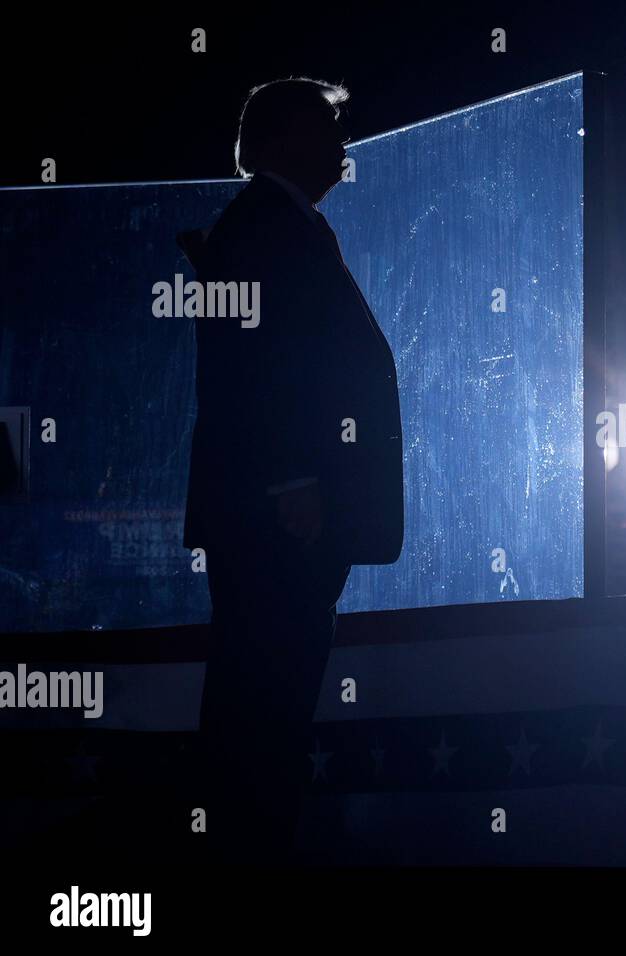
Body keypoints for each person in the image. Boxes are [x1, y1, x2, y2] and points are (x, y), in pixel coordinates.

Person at [179, 77, 404, 863]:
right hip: (280, 519)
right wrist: (292, 484)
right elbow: (255, 366)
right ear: (282, 141)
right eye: (327, 129)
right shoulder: (266, 229)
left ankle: (247, 849)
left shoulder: (275, 226)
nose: (343, 147)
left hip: (283, 515)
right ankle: (246, 857)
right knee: (264, 701)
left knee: (264, 700)